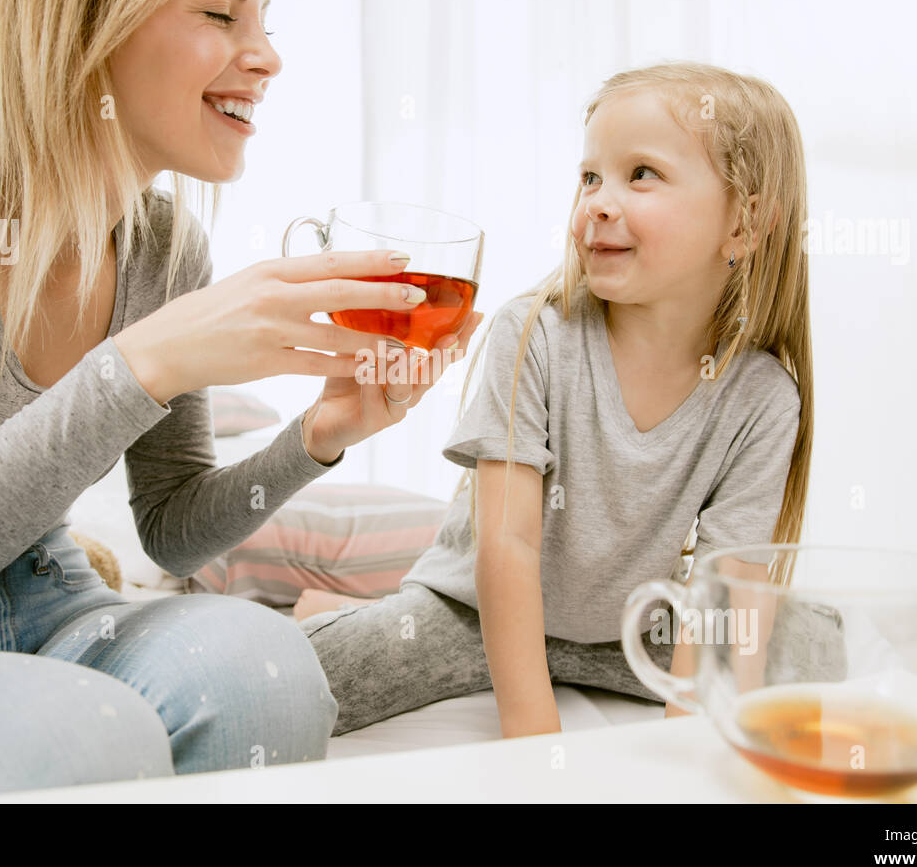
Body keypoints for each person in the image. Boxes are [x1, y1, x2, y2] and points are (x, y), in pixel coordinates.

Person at [0, 0, 480, 801]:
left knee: (265, 674)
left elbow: (171, 526)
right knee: (76, 734)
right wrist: (143, 361)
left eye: (263, 17)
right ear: (85, 19)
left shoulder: (165, 248)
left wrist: (318, 438)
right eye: (219, 13)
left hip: (41, 598)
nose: (267, 55)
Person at [298, 62, 846, 738]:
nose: (598, 202)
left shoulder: (763, 396)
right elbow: (509, 544)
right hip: (482, 608)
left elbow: (726, 584)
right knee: (309, 679)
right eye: (590, 177)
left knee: (820, 654)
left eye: (640, 174)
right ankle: (333, 607)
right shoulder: (533, 334)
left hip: (631, 624)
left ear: (746, 223)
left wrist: (693, 741)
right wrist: (534, 734)